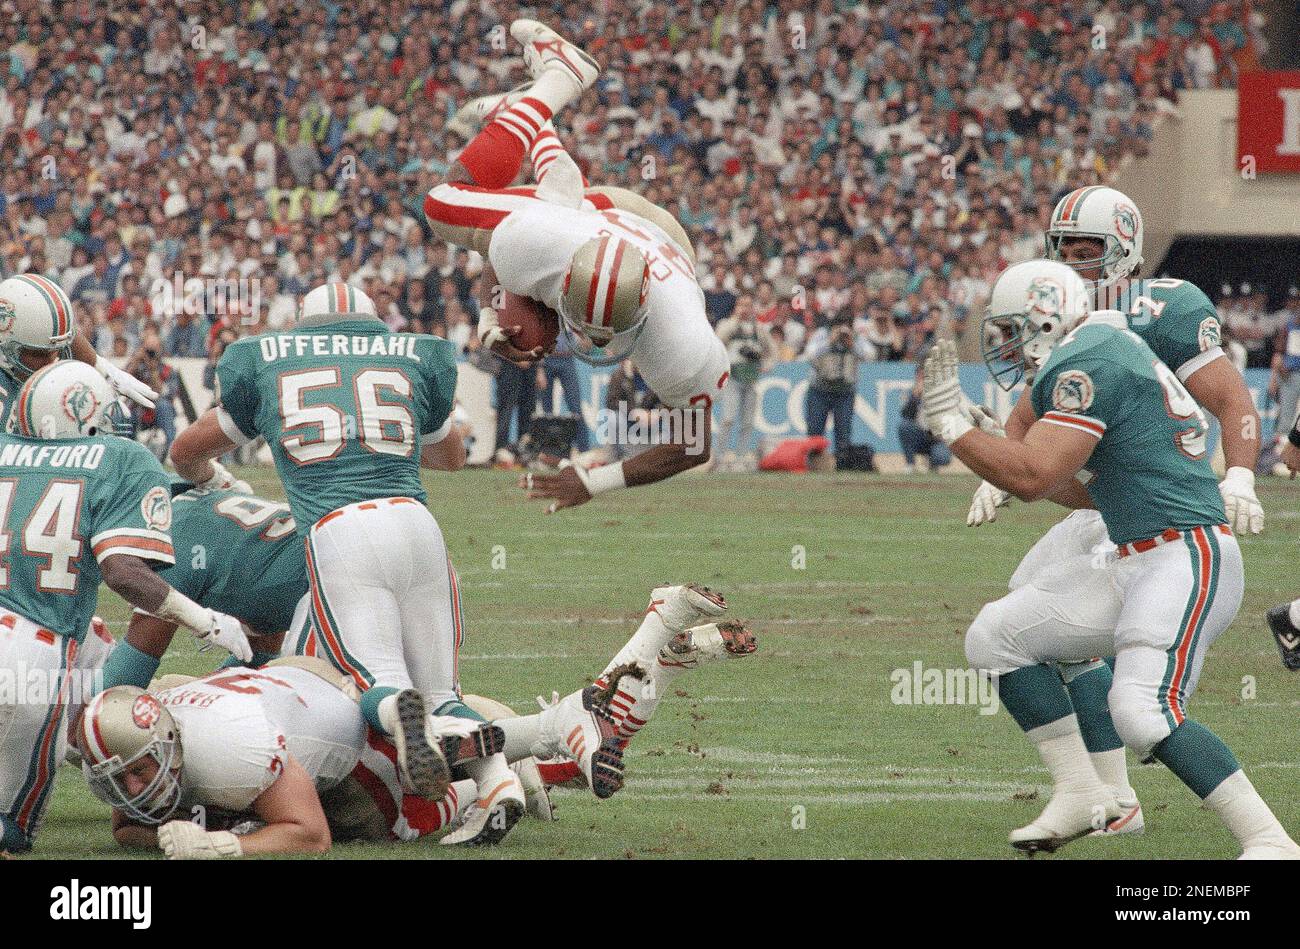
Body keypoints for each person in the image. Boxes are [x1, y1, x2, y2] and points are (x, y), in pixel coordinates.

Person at [925, 260, 1298, 858]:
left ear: (1046, 315)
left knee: (1141, 712)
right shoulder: (1097, 349)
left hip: (1187, 553)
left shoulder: (1090, 361)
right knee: (995, 636)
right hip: (1137, 555)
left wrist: (952, 429)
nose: (1008, 346)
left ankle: (1269, 840)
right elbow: (1079, 488)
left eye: (1014, 330)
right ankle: (1082, 793)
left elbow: (1035, 476)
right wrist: (991, 442)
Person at [167, 281, 525, 845]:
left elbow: (186, 449)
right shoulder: (414, 356)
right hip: (417, 522)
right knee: (445, 694)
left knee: (373, 677)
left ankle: (396, 715)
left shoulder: (263, 360)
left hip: (341, 531)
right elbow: (453, 457)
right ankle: (502, 786)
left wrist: (210, 480)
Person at [967, 186, 1265, 817]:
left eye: (1087, 249)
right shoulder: (1067, 324)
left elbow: (1234, 402)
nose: (1073, 263)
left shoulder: (1164, 306)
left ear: (1125, 248)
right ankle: (1111, 795)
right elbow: (1025, 421)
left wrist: (1240, 476)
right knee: (1026, 612)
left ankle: (1115, 792)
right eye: (1062, 250)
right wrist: (1003, 468)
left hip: (1165, 504)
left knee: (1113, 675)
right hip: (1101, 500)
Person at [421, 19, 729, 512]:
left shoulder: (684, 347)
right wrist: (488, 317)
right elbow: (499, 252)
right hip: (587, 222)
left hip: (657, 233)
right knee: (443, 204)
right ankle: (548, 94)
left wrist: (595, 481)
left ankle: (529, 104)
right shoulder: (542, 244)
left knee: (485, 201)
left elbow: (695, 446)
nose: (594, 342)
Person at [0, 362, 247, 855]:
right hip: (33, 645)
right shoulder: (119, 457)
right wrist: (205, 620)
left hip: (28, 624)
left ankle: (88, 741)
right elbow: (123, 573)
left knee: (102, 681)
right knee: (9, 830)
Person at [714, 294, 775, 468]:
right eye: (742, 305)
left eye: (748, 305)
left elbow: (771, 350)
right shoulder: (727, 324)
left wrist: (766, 365)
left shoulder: (759, 328)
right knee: (728, 418)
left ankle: (740, 457)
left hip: (751, 378)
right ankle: (719, 457)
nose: (745, 309)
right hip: (733, 378)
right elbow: (718, 343)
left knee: (747, 421)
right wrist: (735, 322)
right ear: (736, 307)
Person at [802, 313, 870, 462]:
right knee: (815, 429)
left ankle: (842, 463)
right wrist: (829, 342)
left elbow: (870, 355)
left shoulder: (856, 337)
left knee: (843, 430)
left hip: (845, 392)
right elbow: (809, 354)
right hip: (819, 389)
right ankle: (814, 463)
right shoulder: (822, 334)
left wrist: (852, 344)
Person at [898, 360, 952, 472]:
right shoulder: (909, 392)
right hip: (919, 435)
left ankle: (932, 463)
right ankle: (910, 464)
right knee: (904, 426)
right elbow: (906, 415)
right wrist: (915, 396)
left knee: (943, 457)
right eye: (921, 375)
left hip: (937, 437)